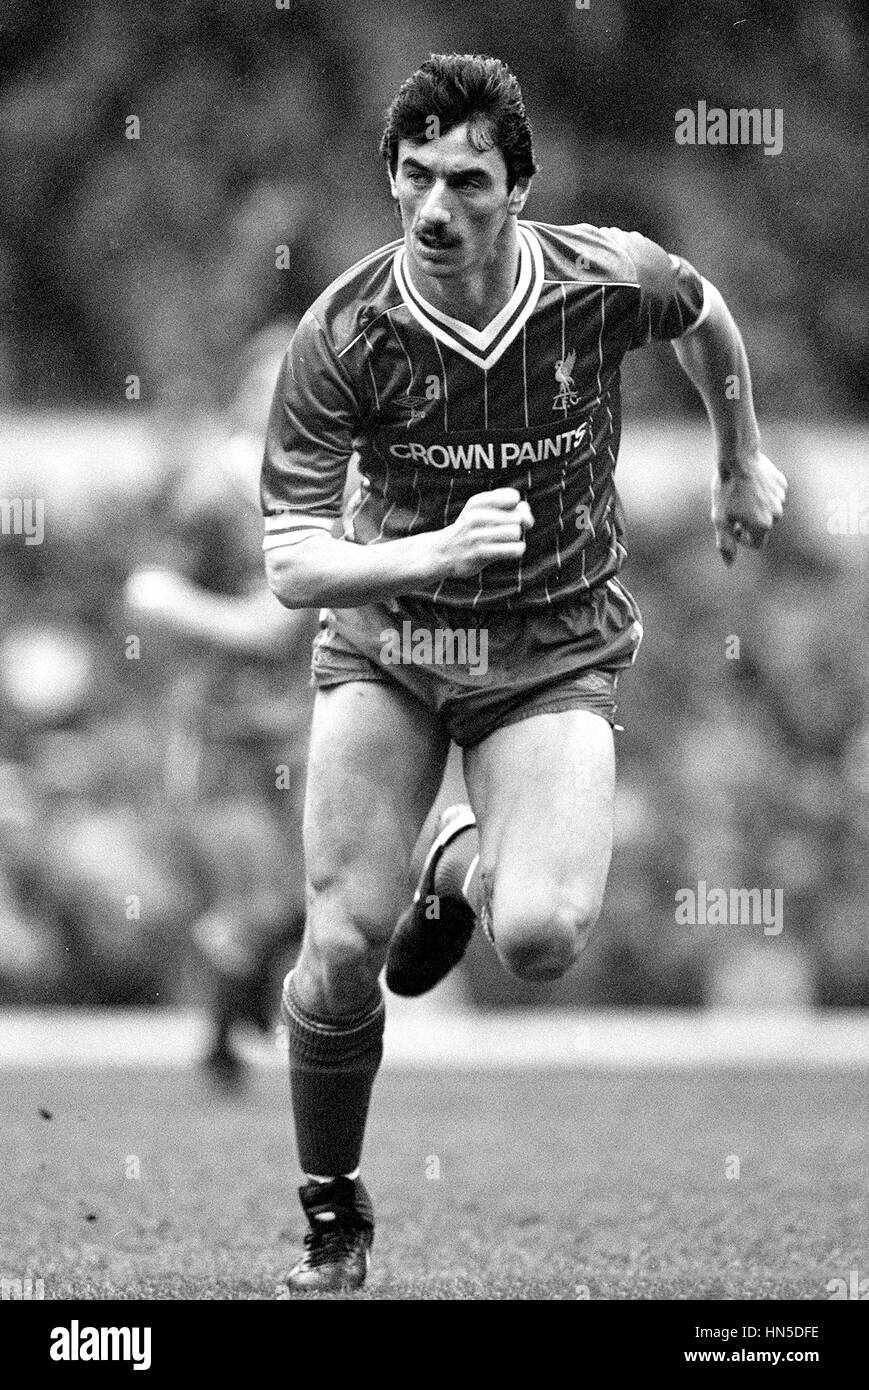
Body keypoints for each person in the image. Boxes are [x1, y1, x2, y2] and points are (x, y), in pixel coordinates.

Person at [260, 54, 788, 1289]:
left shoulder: (601, 277)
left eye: (468, 180)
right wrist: (437, 546)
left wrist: (736, 458)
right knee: (341, 944)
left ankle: (460, 862)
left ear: (517, 187)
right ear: (388, 178)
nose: (436, 207)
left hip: (550, 648)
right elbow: (290, 563)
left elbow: (703, 313)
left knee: (543, 936)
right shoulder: (343, 331)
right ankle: (333, 1215)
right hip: (393, 648)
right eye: (413, 177)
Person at [126, 322, 318, 1088]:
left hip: (298, 730)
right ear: (243, 398)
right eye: (274, 390)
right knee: (264, 897)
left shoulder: (318, 493)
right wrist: (246, 627)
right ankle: (222, 1041)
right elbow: (148, 590)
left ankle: (235, 1022)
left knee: (311, 899)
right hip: (225, 733)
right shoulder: (211, 494)